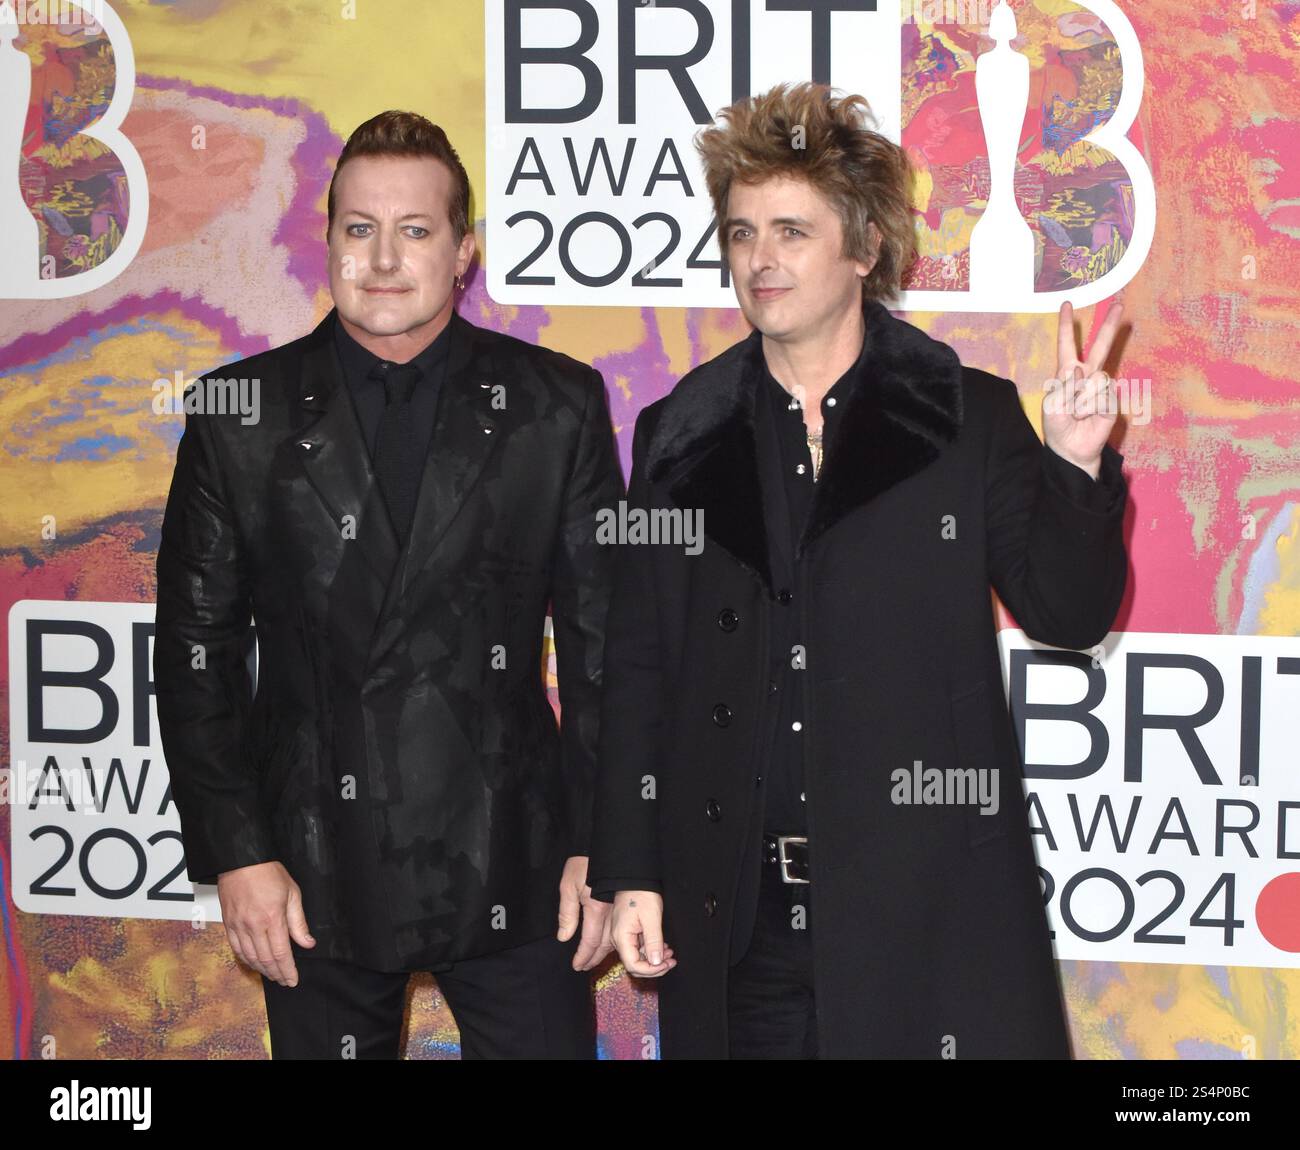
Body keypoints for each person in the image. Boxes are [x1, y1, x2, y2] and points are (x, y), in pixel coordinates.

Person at [586, 82, 1129, 1059]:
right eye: (742, 231)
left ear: (864, 249)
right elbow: (637, 664)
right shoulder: (678, 431)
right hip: (733, 915)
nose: (760, 259)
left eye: (791, 231)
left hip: (922, 912)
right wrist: (633, 869)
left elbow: (1070, 613)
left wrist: (1078, 462)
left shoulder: (964, 416)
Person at [154, 111, 623, 1059]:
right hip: (314, 864)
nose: (382, 258)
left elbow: (605, 647)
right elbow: (194, 656)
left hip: (518, 861)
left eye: (415, 231)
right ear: (326, 243)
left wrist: (604, 846)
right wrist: (240, 851)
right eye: (358, 229)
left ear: (464, 253)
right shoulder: (238, 416)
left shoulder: (553, 405)